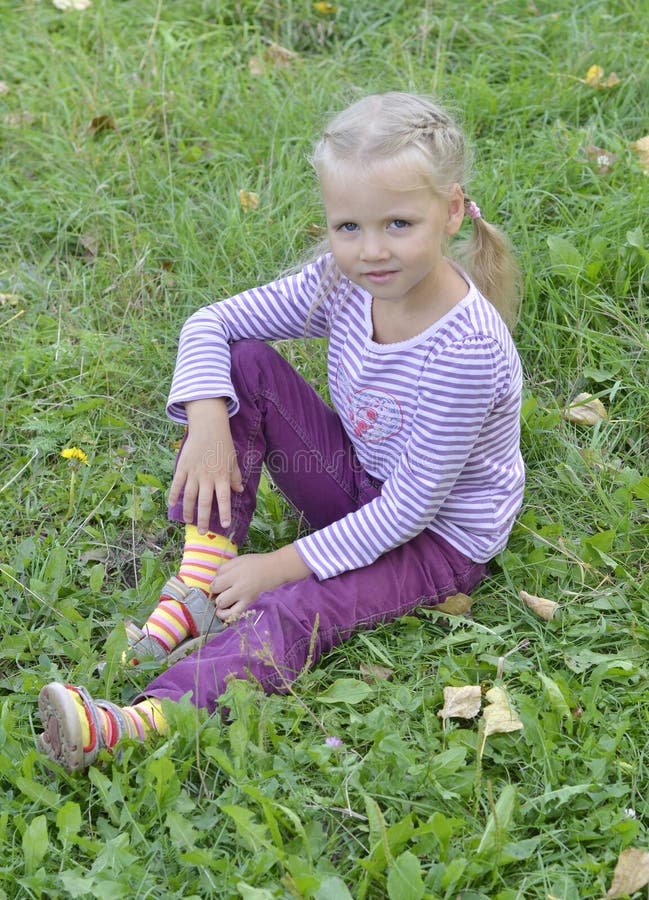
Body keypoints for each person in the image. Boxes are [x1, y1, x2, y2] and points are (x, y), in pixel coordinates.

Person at [37, 91, 525, 773]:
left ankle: (138, 722)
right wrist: (208, 416)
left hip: (436, 537)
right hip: (359, 480)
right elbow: (213, 322)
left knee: (299, 605)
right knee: (240, 367)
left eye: (398, 223)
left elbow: (409, 510)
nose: (371, 250)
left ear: (448, 211)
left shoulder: (463, 350)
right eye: (347, 227)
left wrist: (277, 566)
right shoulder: (342, 282)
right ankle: (197, 584)